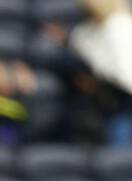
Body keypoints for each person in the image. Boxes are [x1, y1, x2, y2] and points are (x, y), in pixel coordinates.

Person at [43, 0, 132, 146]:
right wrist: (66, 39)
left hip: (123, 98)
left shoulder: (119, 25)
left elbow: (123, 71)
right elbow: (82, 43)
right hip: (107, 99)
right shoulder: (90, 28)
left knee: (121, 148)